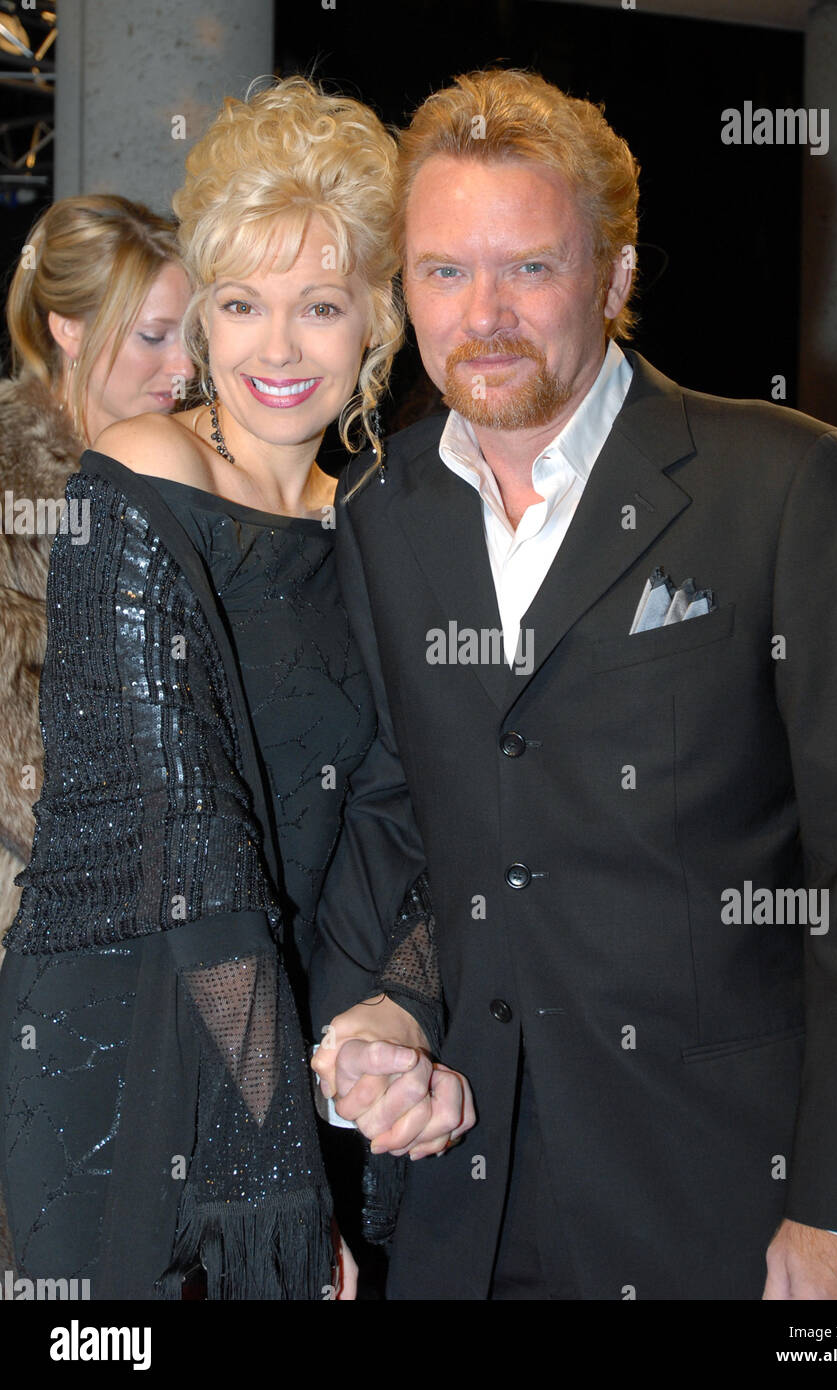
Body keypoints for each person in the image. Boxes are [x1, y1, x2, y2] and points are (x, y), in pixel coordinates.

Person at [311, 68, 837, 1300]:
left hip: (726, 1207)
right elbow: (393, 813)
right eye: (444, 271)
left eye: (530, 269)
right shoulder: (378, 510)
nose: (483, 313)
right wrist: (367, 1022)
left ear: (612, 277)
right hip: (457, 1198)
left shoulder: (787, 485)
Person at [0, 77, 458, 1300]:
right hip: (116, 1032)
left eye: (321, 306)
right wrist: (275, 1171)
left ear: (377, 322)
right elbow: (188, 834)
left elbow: (408, 813)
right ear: (200, 312)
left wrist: (394, 1010)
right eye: (242, 303)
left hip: (289, 1027)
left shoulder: (380, 528)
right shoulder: (139, 472)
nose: (277, 347)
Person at [0, 195, 191, 949]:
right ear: (67, 328)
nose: (184, 366)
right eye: (153, 336)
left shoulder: (203, 479)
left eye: (192, 334)